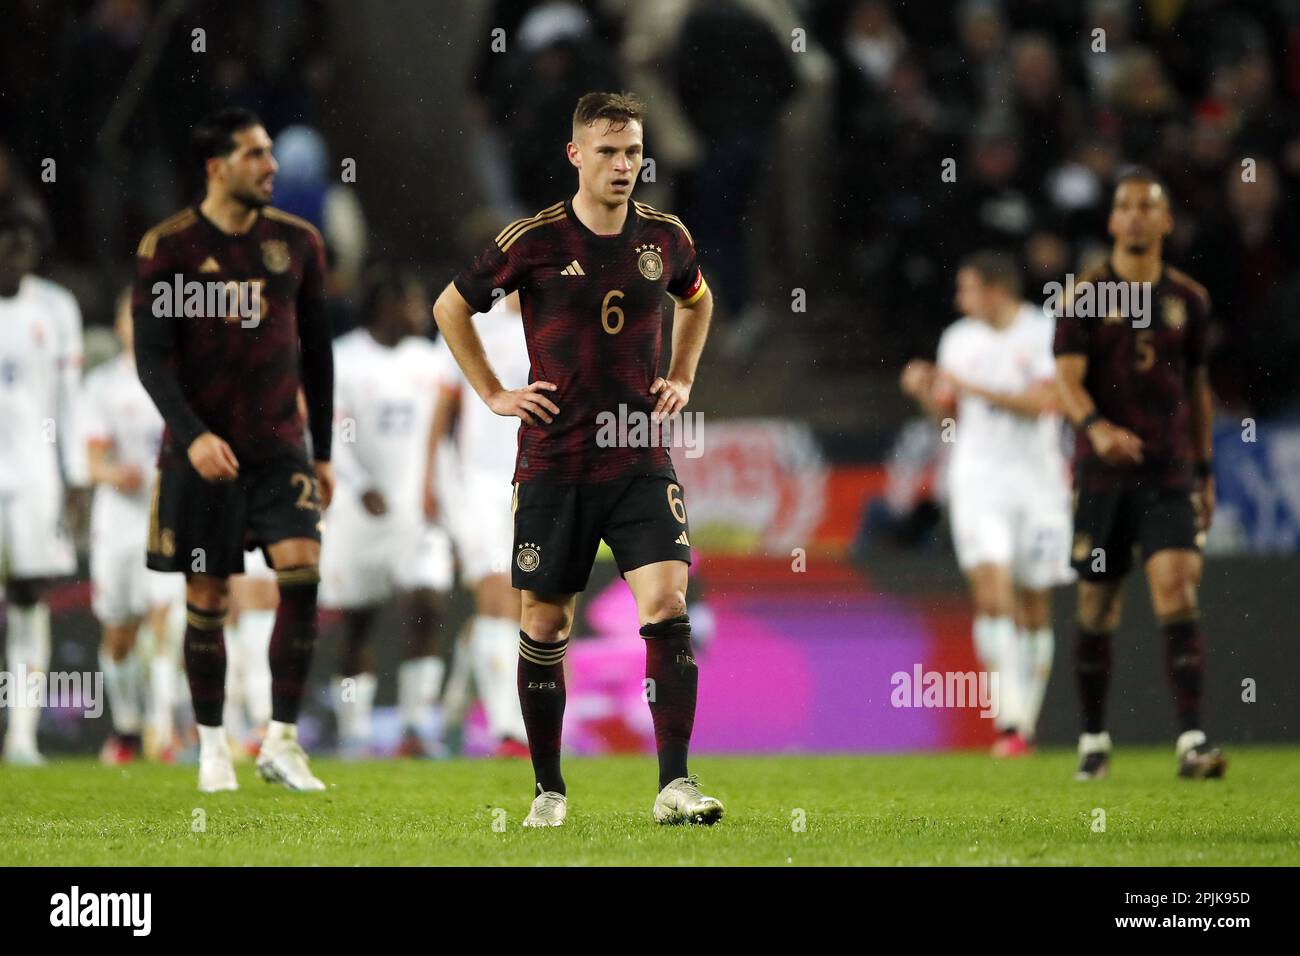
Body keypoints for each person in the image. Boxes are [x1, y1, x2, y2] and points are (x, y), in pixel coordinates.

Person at [431, 91, 722, 827]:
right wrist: (494, 391)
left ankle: (675, 785)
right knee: (547, 626)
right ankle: (549, 791)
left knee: (666, 606)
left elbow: (699, 300)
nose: (624, 166)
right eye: (608, 152)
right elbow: (449, 307)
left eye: (632, 152)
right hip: (555, 464)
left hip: (639, 459)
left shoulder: (665, 238)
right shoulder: (533, 241)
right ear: (575, 156)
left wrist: (683, 376)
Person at [133, 107, 334, 793]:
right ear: (217, 167)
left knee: (303, 573)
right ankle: (213, 747)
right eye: (255, 155)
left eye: (271, 152)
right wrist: (193, 438)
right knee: (208, 595)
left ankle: (280, 740)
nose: (271, 166)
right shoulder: (169, 248)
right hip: (204, 453)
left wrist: (326, 451)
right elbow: (153, 362)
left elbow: (320, 358)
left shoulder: (299, 244)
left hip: (279, 447)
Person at [1054, 168, 1226, 780]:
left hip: (1169, 471)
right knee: (1098, 604)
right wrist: (1098, 428)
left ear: (1165, 221)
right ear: (1111, 221)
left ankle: (1191, 742)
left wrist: (1205, 470)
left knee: (1177, 587)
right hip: (1103, 477)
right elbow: (1066, 380)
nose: (1133, 215)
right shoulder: (1084, 296)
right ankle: (1094, 739)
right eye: (1124, 205)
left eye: (1146, 206)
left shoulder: (1191, 300)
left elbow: (1199, 391)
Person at [901, 252, 1071, 754]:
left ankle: (1026, 720)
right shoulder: (958, 339)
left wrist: (966, 385)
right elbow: (946, 416)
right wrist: (925, 393)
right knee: (993, 591)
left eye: (967, 288)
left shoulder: (1043, 333)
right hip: (978, 481)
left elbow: (1043, 403)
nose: (960, 299)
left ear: (996, 289)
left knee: (1035, 603)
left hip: (1040, 486)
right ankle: (1009, 722)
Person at [320, 266, 453, 757]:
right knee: (359, 621)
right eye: (413, 304)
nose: (422, 314)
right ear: (384, 306)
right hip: (359, 513)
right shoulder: (345, 358)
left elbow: (447, 427)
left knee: (429, 604)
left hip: (417, 511)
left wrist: (442, 490)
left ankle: (418, 727)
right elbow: (329, 432)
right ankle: (354, 731)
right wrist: (358, 485)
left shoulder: (432, 361)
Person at [82, 289, 186, 764]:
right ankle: (125, 727)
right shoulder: (103, 386)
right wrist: (113, 473)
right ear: (121, 325)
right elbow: (90, 462)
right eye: (133, 316)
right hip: (118, 522)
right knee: (120, 633)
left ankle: (162, 732)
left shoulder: (182, 379)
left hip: (166, 518)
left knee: (164, 622)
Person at [0, 194, 86, 765]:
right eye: (9, 240)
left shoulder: (56, 309)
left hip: (33, 472)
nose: (18, 251)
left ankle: (22, 735)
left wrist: (74, 474)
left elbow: (69, 401)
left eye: (28, 243)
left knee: (29, 592)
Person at [425, 289, 530, 757]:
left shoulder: (562, 320)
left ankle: (453, 706)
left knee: (521, 603)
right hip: (477, 480)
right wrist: (428, 478)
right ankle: (508, 730)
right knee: (498, 590)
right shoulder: (475, 323)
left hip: (536, 478)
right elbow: (443, 405)